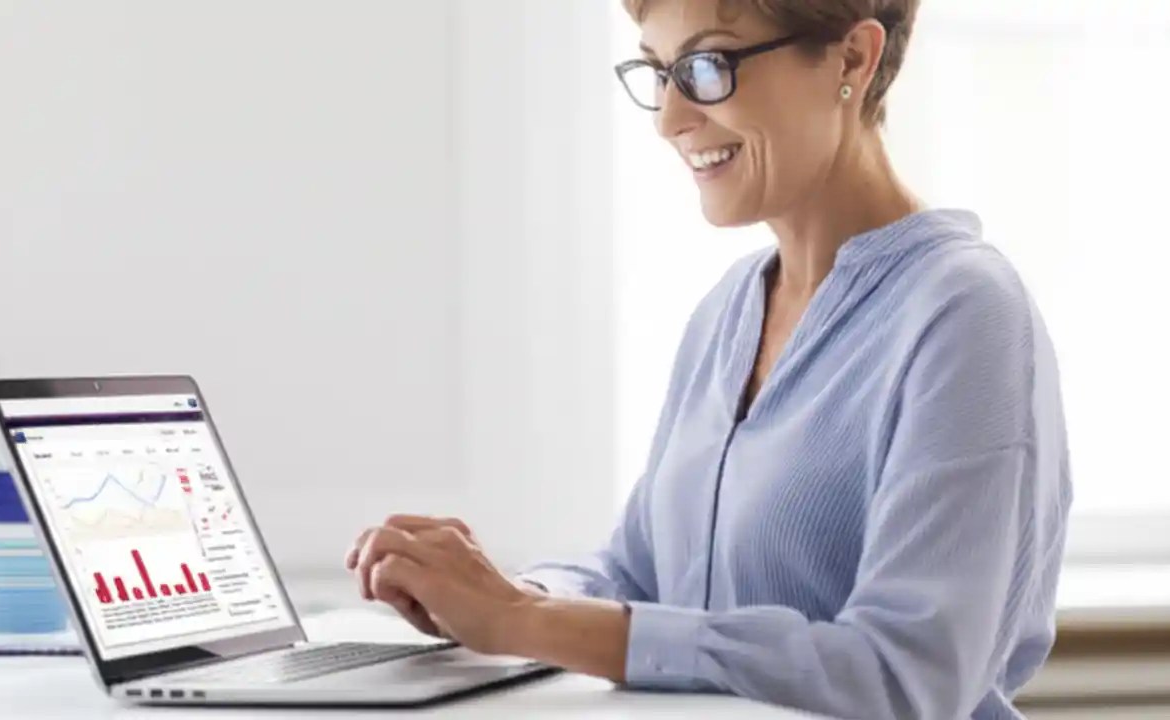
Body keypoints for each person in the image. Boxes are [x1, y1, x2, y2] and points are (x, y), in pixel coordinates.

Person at [343, 0, 1072, 717]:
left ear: (852, 57)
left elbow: (904, 678)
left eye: (706, 65)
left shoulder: (963, 312)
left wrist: (524, 623)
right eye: (659, 71)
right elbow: (638, 573)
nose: (669, 118)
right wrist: (492, 596)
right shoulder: (730, 311)